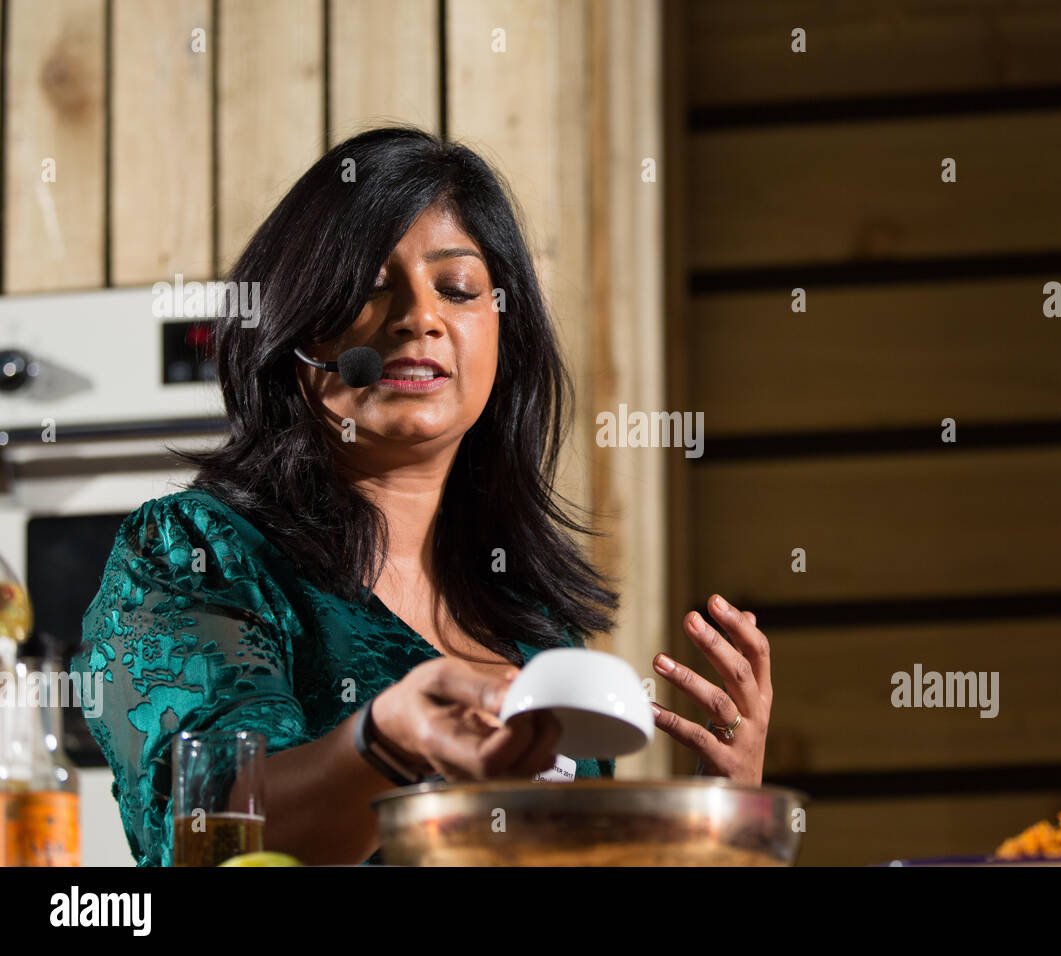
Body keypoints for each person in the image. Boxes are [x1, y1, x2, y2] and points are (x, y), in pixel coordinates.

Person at [74, 127, 773, 866]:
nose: (419, 317)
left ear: (506, 337)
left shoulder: (531, 629)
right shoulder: (194, 554)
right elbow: (212, 833)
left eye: (459, 289)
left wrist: (721, 822)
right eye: (372, 287)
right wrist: (382, 743)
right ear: (294, 331)